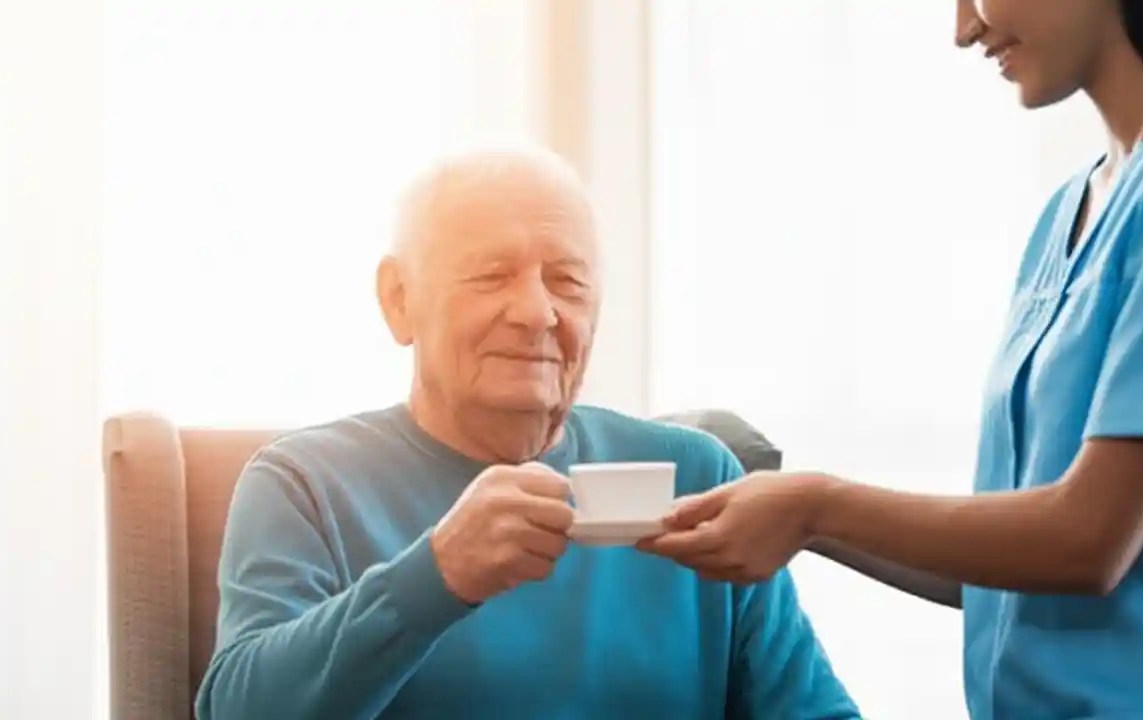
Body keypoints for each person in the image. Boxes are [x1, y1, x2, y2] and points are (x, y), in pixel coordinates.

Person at [642, 1, 1143, 718]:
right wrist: (784, 512)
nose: (964, 28)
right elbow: (1007, 572)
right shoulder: (1069, 210)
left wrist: (818, 506)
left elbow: (1087, 543)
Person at [194, 146, 859, 719]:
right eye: (492, 276)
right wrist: (434, 578)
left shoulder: (698, 475)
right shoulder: (303, 484)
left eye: (567, 282)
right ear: (400, 299)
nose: (538, 313)